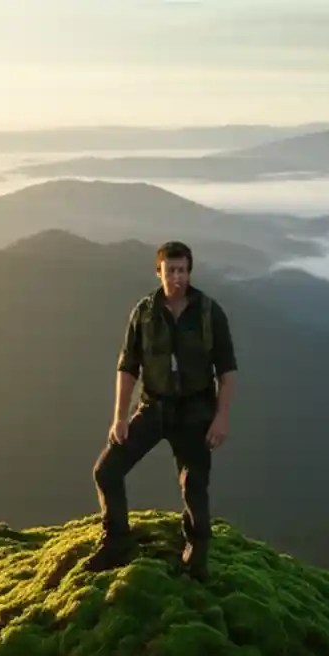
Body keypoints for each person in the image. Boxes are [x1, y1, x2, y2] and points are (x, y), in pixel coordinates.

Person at [84, 240, 238, 581]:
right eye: (170, 270)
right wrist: (119, 418)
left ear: (190, 271)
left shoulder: (209, 313)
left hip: (196, 410)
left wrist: (222, 417)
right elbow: (128, 368)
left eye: (182, 270)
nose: (177, 277)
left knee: (194, 484)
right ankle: (116, 541)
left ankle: (196, 555)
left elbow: (227, 370)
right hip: (153, 406)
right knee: (107, 471)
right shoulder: (144, 313)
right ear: (159, 272)